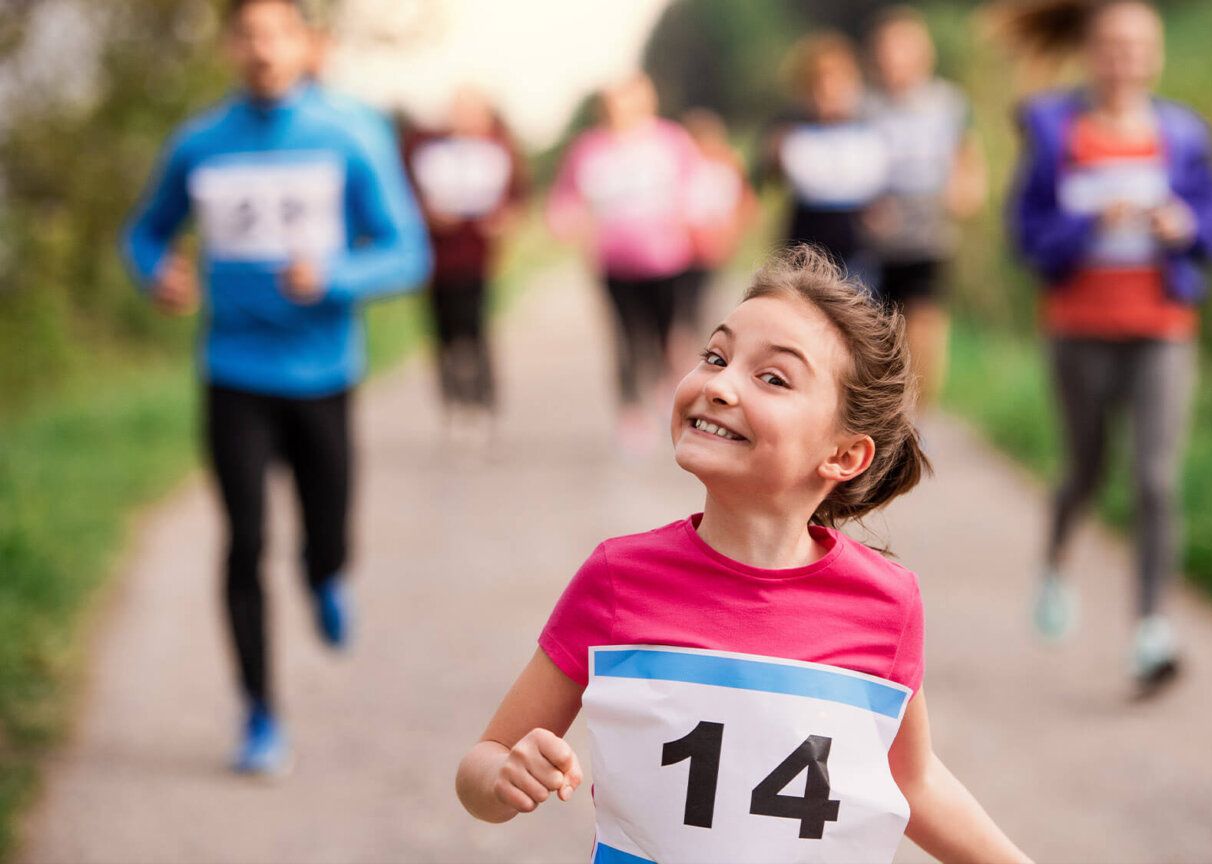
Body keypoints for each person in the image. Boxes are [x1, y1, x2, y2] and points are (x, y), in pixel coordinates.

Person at [454, 246, 1030, 863]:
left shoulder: (887, 603)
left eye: (773, 377)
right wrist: (503, 776)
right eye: (714, 356)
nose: (719, 385)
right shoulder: (618, 579)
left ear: (843, 456)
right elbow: (482, 764)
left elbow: (914, 782)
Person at [120, 0, 430, 774]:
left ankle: (326, 574)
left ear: (304, 44)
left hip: (323, 374)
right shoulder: (199, 142)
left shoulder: (350, 133)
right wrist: (157, 271)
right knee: (244, 540)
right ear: (230, 45)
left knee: (326, 533)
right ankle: (259, 713)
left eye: (278, 33)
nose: (262, 48)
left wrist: (333, 275)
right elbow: (144, 230)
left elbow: (406, 251)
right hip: (234, 371)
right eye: (248, 34)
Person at [1003, 0, 1212, 693]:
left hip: (1162, 327)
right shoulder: (1055, 131)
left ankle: (1151, 630)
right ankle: (1055, 559)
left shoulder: (1183, 134)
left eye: (1138, 45)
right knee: (1085, 469)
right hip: (1078, 328)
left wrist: (1183, 224)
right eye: (1111, 44)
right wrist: (1086, 225)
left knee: (1156, 478)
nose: (1124, 57)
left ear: (1156, 54)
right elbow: (1026, 235)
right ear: (1089, 52)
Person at [547, 72, 703, 456]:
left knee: (667, 335)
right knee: (625, 338)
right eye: (616, 103)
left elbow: (698, 186)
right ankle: (631, 415)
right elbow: (565, 199)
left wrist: (693, 216)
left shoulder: (671, 140)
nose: (623, 110)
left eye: (631, 100)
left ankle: (668, 387)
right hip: (613, 263)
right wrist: (567, 222)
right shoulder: (588, 148)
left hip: (668, 259)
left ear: (647, 101)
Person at [864, 6, 987, 408]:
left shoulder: (949, 103)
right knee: (879, 333)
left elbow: (969, 160)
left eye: (903, 49)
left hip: (930, 233)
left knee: (925, 328)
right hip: (879, 238)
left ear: (923, 53)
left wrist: (964, 191)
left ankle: (918, 415)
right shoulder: (863, 106)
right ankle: (883, 412)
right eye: (887, 50)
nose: (894, 59)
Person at [404, 85, 530, 428]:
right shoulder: (423, 148)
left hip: (477, 263)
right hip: (434, 263)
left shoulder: (498, 148)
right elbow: (404, 195)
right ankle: (454, 407)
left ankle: (484, 404)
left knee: (476, 335)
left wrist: (504, 221)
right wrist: (425, 214)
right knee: (442, 338)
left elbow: (517, 198)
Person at [762, 32, 888, 289]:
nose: (828, 91)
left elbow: (879, 194)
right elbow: (766, 177)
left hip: (855, 250)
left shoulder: (868, 130)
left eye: (837, 81)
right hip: (804, 246)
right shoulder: (789, 129)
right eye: (818, 84)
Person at [675, 107, 758, 375]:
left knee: (698, 303)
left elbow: (742, 200)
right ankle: (690, 352)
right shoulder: (681, 165)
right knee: (689, 304)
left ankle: (696, 352)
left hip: (713, 246)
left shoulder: (727, 161)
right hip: (684, 247)